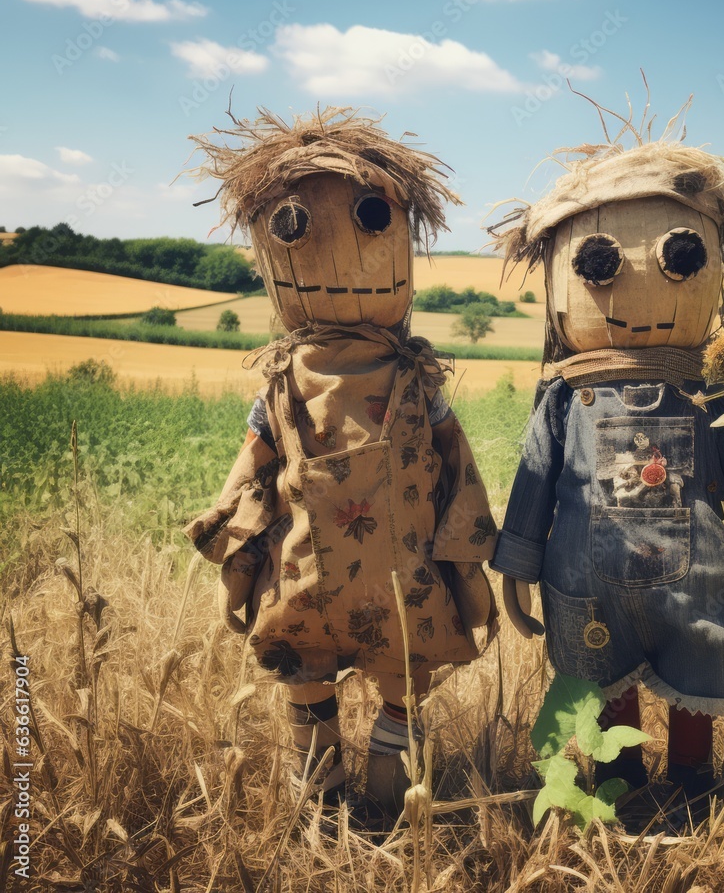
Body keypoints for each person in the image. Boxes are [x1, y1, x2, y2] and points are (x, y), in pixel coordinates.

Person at [185, 107, 497, 827]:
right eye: (293, 226)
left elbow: (455, 465)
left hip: (363, 577)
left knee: (394, 681)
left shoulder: (415, 376)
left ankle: (379, 799)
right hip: (350, 578)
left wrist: (468, 551)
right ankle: (330, 801)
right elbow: (252, 472)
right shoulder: (286, 381)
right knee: (313, 673)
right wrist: (230, 537)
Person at [489, 108, 724, 825]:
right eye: (597, 262)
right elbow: (533, 482)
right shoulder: (567, 395)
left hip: (700, 581)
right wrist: (518, 560)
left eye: (681, 258)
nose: (630, 279)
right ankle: (622, 783)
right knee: (605, 685)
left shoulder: (710, 389)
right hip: (584, 579)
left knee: (698, 666)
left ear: (712, 265)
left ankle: (692, 784)